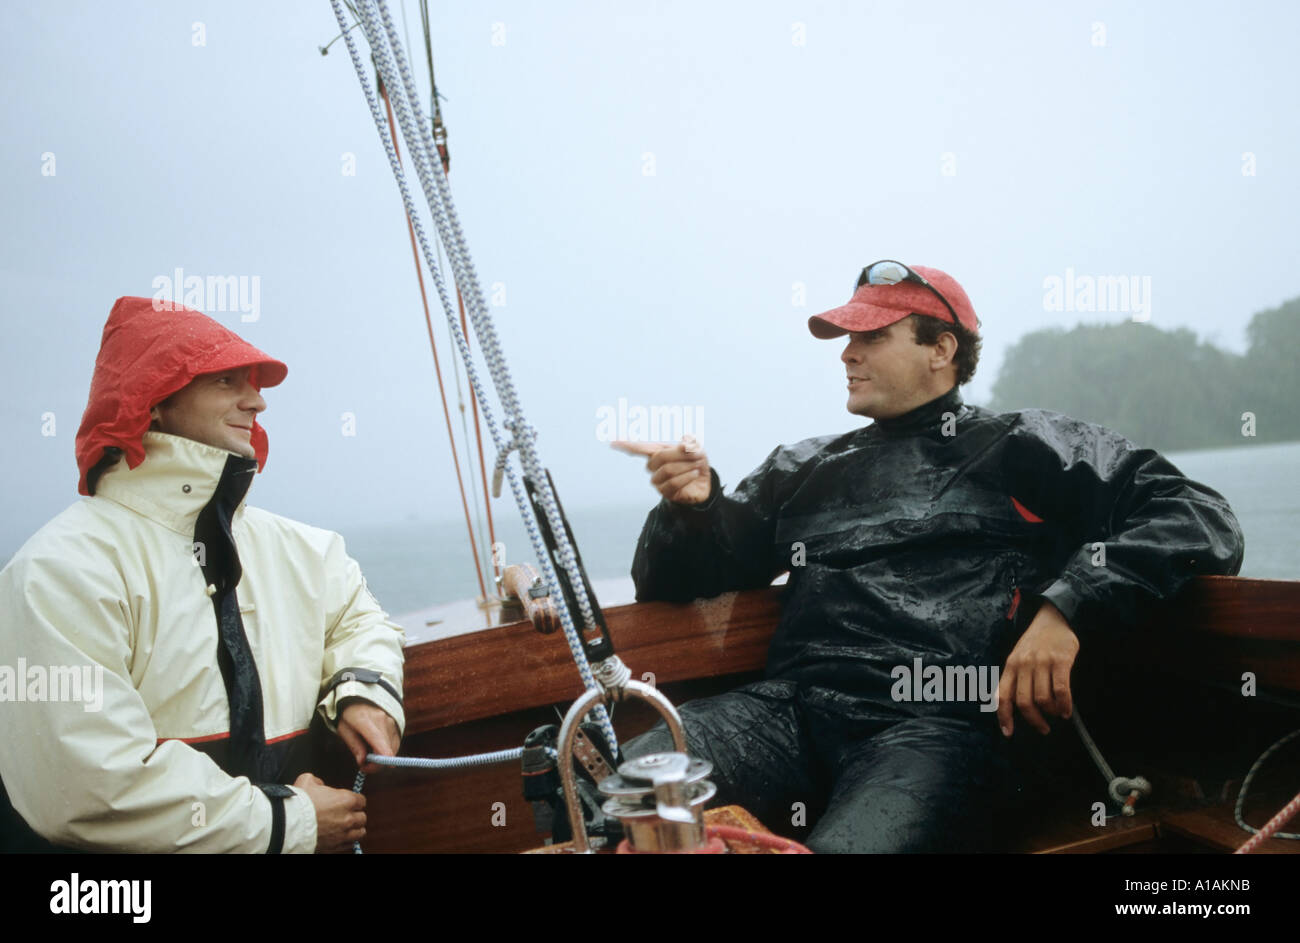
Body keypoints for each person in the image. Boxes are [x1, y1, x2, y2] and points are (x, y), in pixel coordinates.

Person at [613, 261, 1244, 853]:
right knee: (629, 786)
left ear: (940, 350)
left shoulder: (1023, 446)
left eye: (872, 336)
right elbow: (678, 584)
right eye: (845, 337)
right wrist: (692, 509)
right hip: (793, 712)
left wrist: (1066, 608)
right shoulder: (802, 467)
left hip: (941, 725)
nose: (847, 353)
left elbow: (1196, 515)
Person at [0, 296, 405, 853]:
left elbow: (358, 619)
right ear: (153, 403)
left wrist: (363, 691)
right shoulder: (59, 571)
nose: (257, 401)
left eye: (254, 383)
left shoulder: (305, 550)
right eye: (226, 382)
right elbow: (90, 786)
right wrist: (290, 824)